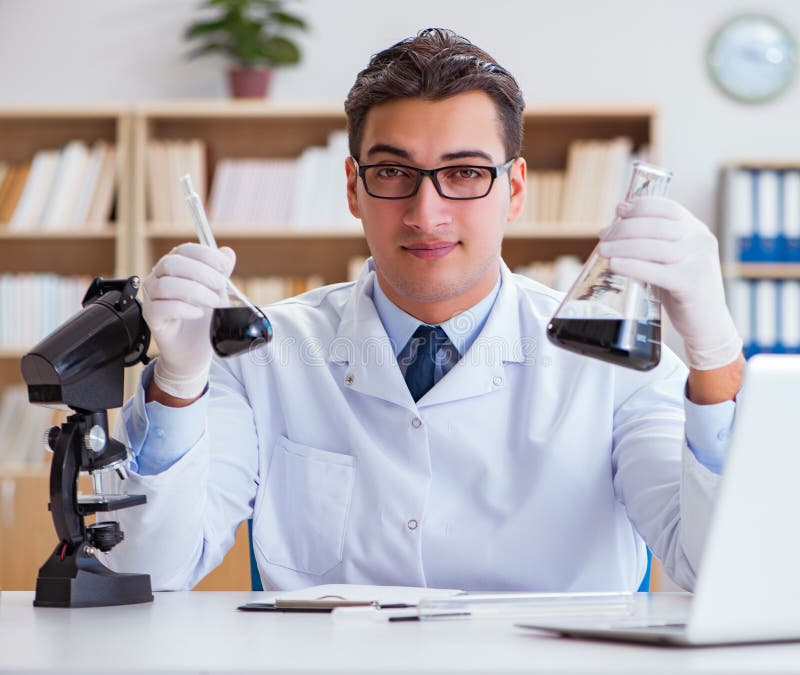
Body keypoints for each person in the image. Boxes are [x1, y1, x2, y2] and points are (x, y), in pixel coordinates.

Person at [107, 28, 744, 592]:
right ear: (354, 188)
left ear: (514, 189)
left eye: (464, 173)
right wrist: (180, 384)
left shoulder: (612, 365)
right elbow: (149, 574)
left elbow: (716, 571)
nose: (425, 213)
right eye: (392, 172)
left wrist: (714, 357)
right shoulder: (264, 356)